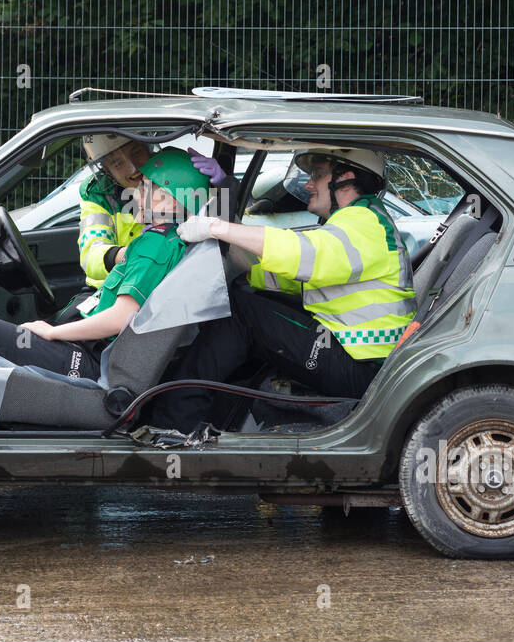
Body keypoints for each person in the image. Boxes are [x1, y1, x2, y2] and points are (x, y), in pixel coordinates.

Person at [0, 147, 213, 429]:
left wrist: (52, 332)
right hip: (94, 350)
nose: (137, 193)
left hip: (92, 361)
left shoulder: (153, 247)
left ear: (172, 201)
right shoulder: (170, 239)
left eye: (147, 187)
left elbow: (119, 318)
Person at [158, 148, 416, 431]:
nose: (308, 184)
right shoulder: (360, 219)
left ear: (346, 178)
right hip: (361, 358)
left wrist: (217, 228)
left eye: (317, 175)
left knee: (241, 312)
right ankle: (210, 417)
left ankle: (172, 426)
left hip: (363, 367)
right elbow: (294, 276)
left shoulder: (363, 221)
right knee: (246, 306)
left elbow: (301, 254)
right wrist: (228, 245)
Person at [64, 133, 229, 317]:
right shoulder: (98, 197)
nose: (133, 168)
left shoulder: (173, 173)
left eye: (136, 152)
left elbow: (220, 227)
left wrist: (222, 189)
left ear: (149, 149)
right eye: (117, 163)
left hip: (172, 290)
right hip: (110, 290)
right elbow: (91, 254)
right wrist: (138, 254)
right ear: (107, 171)